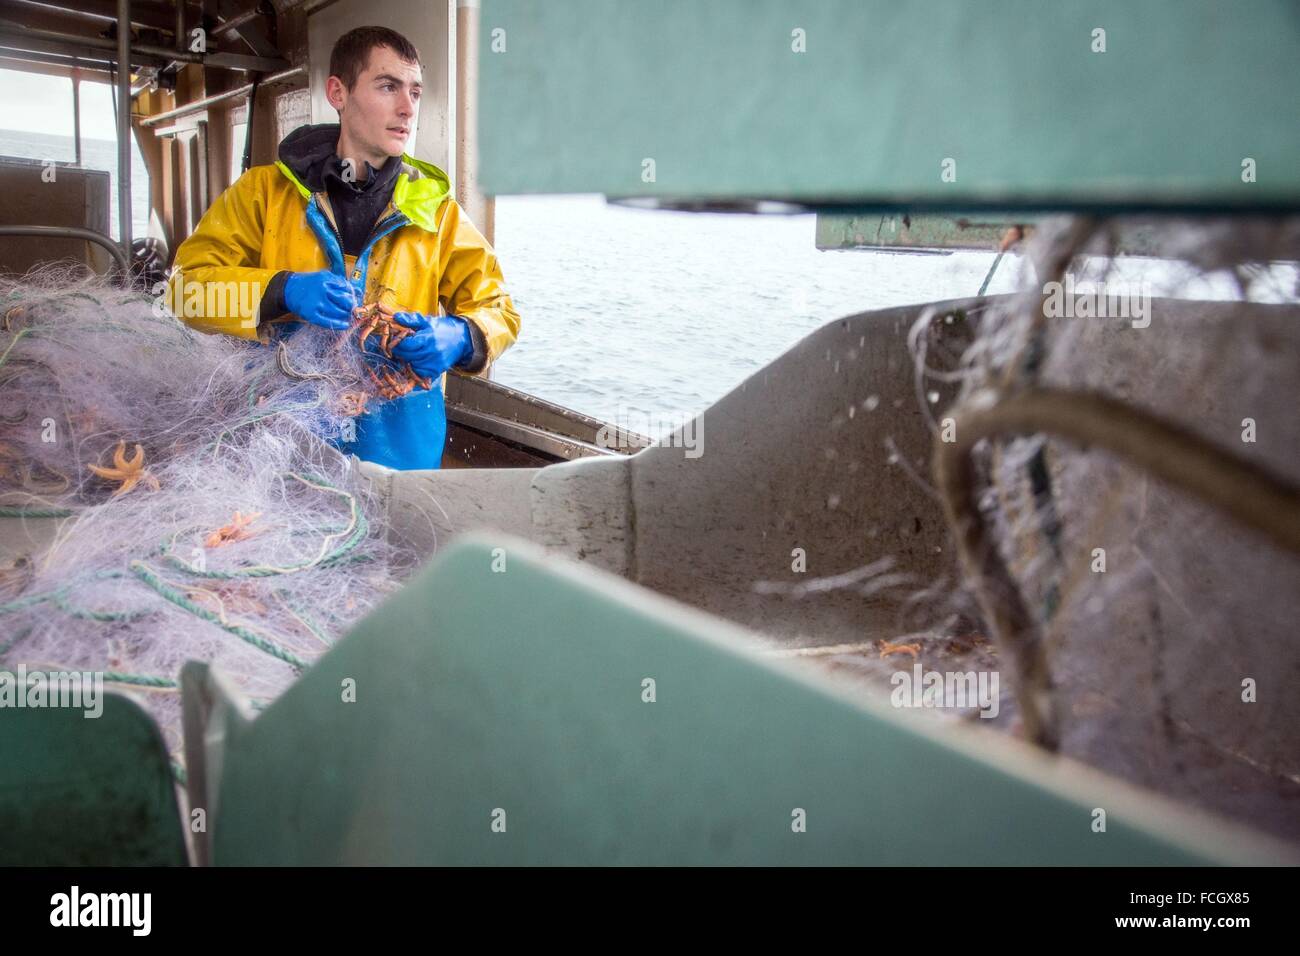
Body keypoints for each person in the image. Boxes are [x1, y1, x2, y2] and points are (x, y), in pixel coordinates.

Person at [166, 25, 520, 469]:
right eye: (388, 86)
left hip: (399, 453)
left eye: (415, 91)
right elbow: (183, 293)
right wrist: (280, 291)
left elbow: (499, 309)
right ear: (338, 92)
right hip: (277, 445)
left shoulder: (440, 215)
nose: (407, 107)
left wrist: (463, 336)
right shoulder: (262, 193)